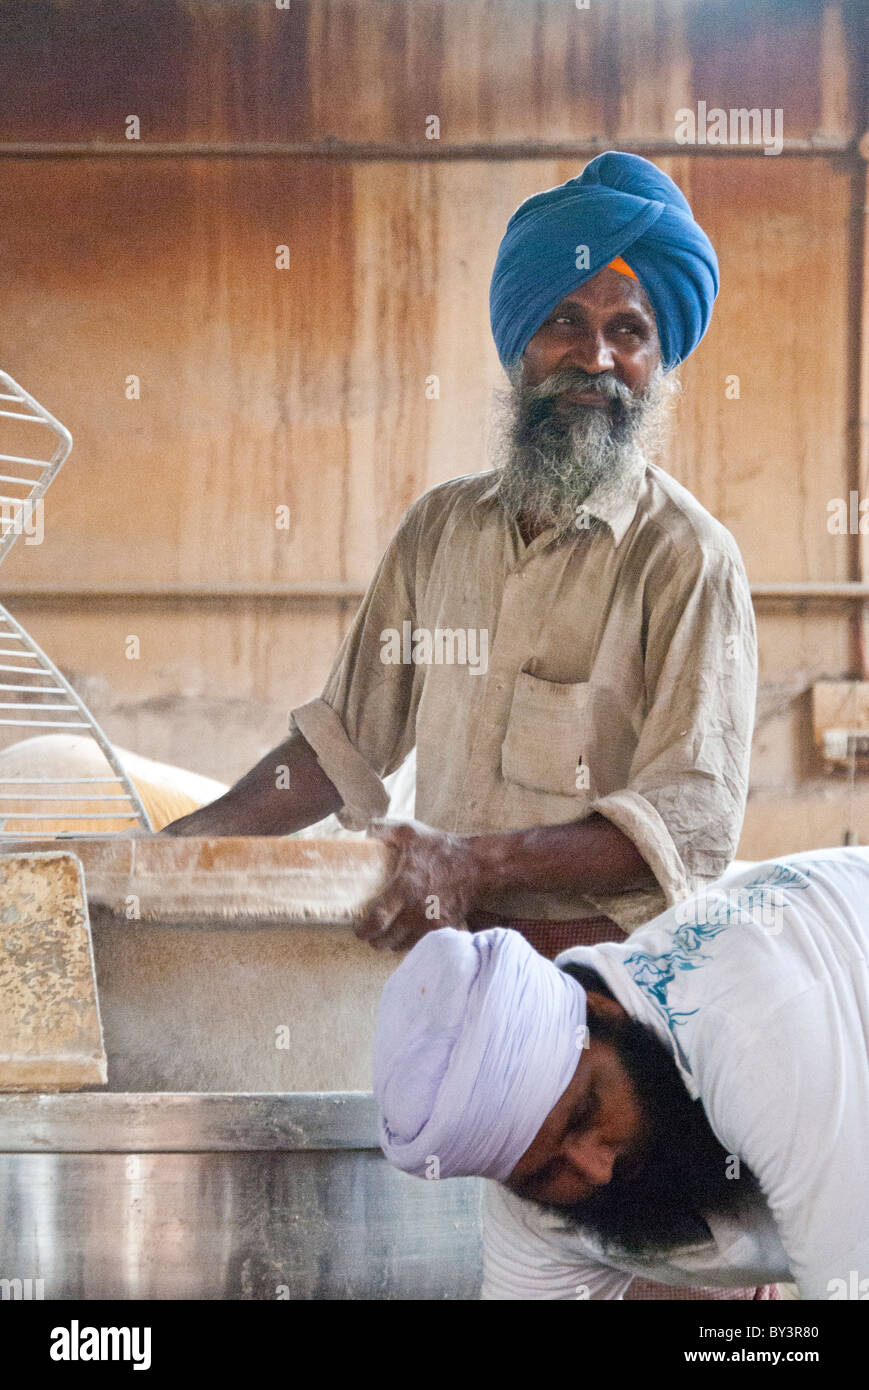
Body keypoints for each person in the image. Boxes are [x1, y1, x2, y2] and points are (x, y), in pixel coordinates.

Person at [164, 150, 762, 1297]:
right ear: (517, 344)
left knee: (656, 1290)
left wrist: (468, 863)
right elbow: (334, 744)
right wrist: (167, 850)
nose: (596, 357)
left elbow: (685, 828)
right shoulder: (439, 535)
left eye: (629, 330)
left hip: (614, 1048)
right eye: (565, 322)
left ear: (658, 356)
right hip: (472, 1019)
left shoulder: (687, 563)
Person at [373, 847, 869, 1301]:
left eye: (585, 1113)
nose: (597, 1168)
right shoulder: (536, 1207)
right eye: (547, 1172)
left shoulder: (758, 1038)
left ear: (604, 1012)